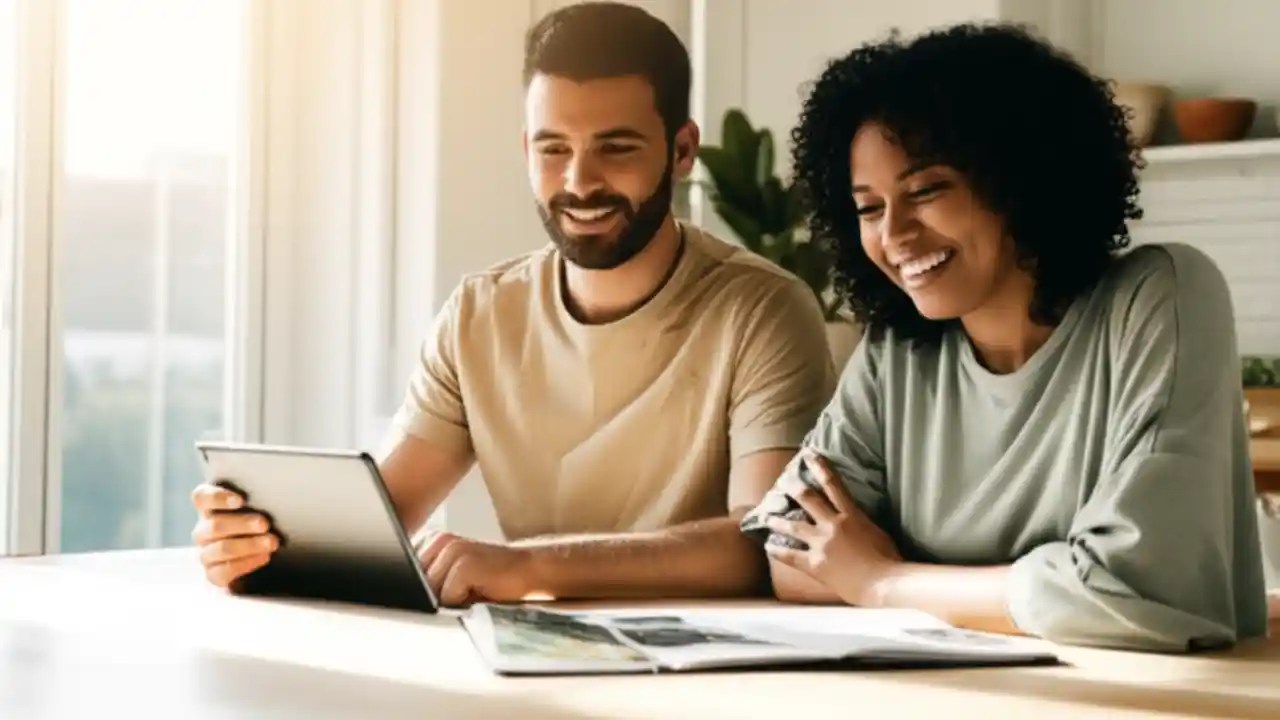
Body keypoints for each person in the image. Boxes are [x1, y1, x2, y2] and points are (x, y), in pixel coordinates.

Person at [191, 2, 834, 607]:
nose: (580, 183)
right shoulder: (479, 315)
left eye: (616, 148)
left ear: (682, 150)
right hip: (533, 661)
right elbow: (379, 523)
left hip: (712, 672)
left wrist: (528, 566)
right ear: (526, 148)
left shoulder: (764, 310)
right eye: (554, 149)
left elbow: (766, 544)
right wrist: (255, 545)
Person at [740, 23, 1268, 651]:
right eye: (869, 208)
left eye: (926, 191)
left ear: (1019, 181)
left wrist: (882, 579)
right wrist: (1027, 591)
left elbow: (1133, 590)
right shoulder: (897, 351)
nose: (895, 234)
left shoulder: (1160, 295)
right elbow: (790, 554)